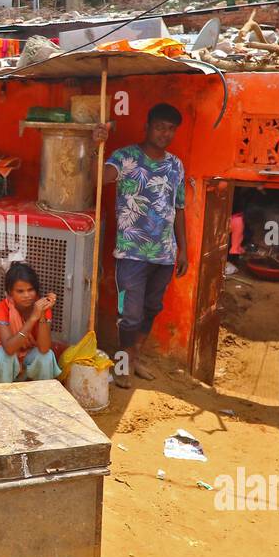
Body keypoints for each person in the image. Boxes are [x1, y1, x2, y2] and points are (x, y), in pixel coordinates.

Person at [94, 102, 189, 389]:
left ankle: (134, 357)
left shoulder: (176, 165)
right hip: (130, 253)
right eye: (160, 127)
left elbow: (180, 208)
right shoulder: (125, 158)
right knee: (129, 313)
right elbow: (100, 180)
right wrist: (97, 147)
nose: (165, 133)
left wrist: (183, 248)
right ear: (147, 127)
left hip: (164, 254)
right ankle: (122, 363)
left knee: (151, 308)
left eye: (171, 129)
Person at [0, 262, 64, 384]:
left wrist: (40, 315)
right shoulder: (2, 308)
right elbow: (9, 349)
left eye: (30, 290)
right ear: (10, 292)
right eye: (20, 291)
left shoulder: (43, 308)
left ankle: (42, 397)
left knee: (46, 356)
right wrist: (32, 319)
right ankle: (2, 397)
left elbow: (44, 349)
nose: (26, 295)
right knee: (5, 356)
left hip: (25, 362)